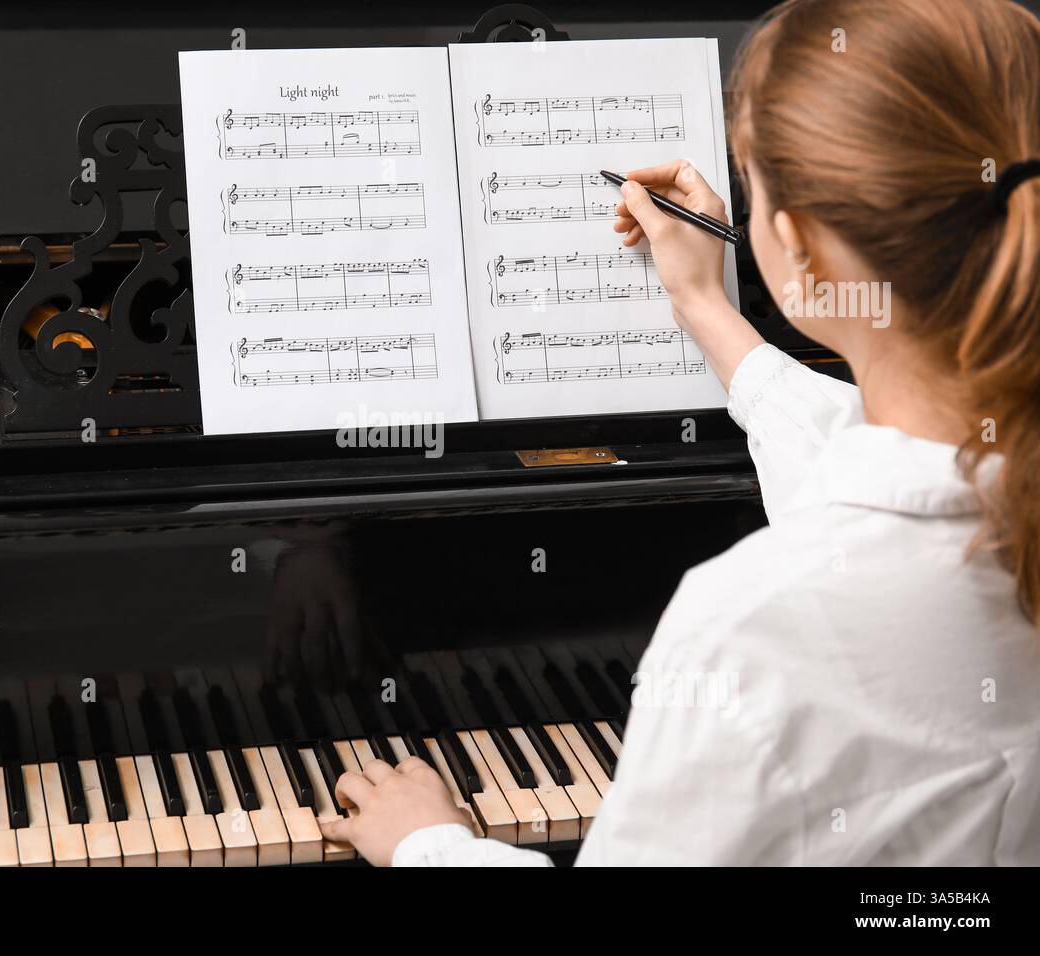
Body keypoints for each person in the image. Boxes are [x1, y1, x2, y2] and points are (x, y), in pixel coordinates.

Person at [319, 0, 1040, 866]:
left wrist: (430, 845)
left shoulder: (752, 628)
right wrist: (704, 306)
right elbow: (890, 477)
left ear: (793, 246)